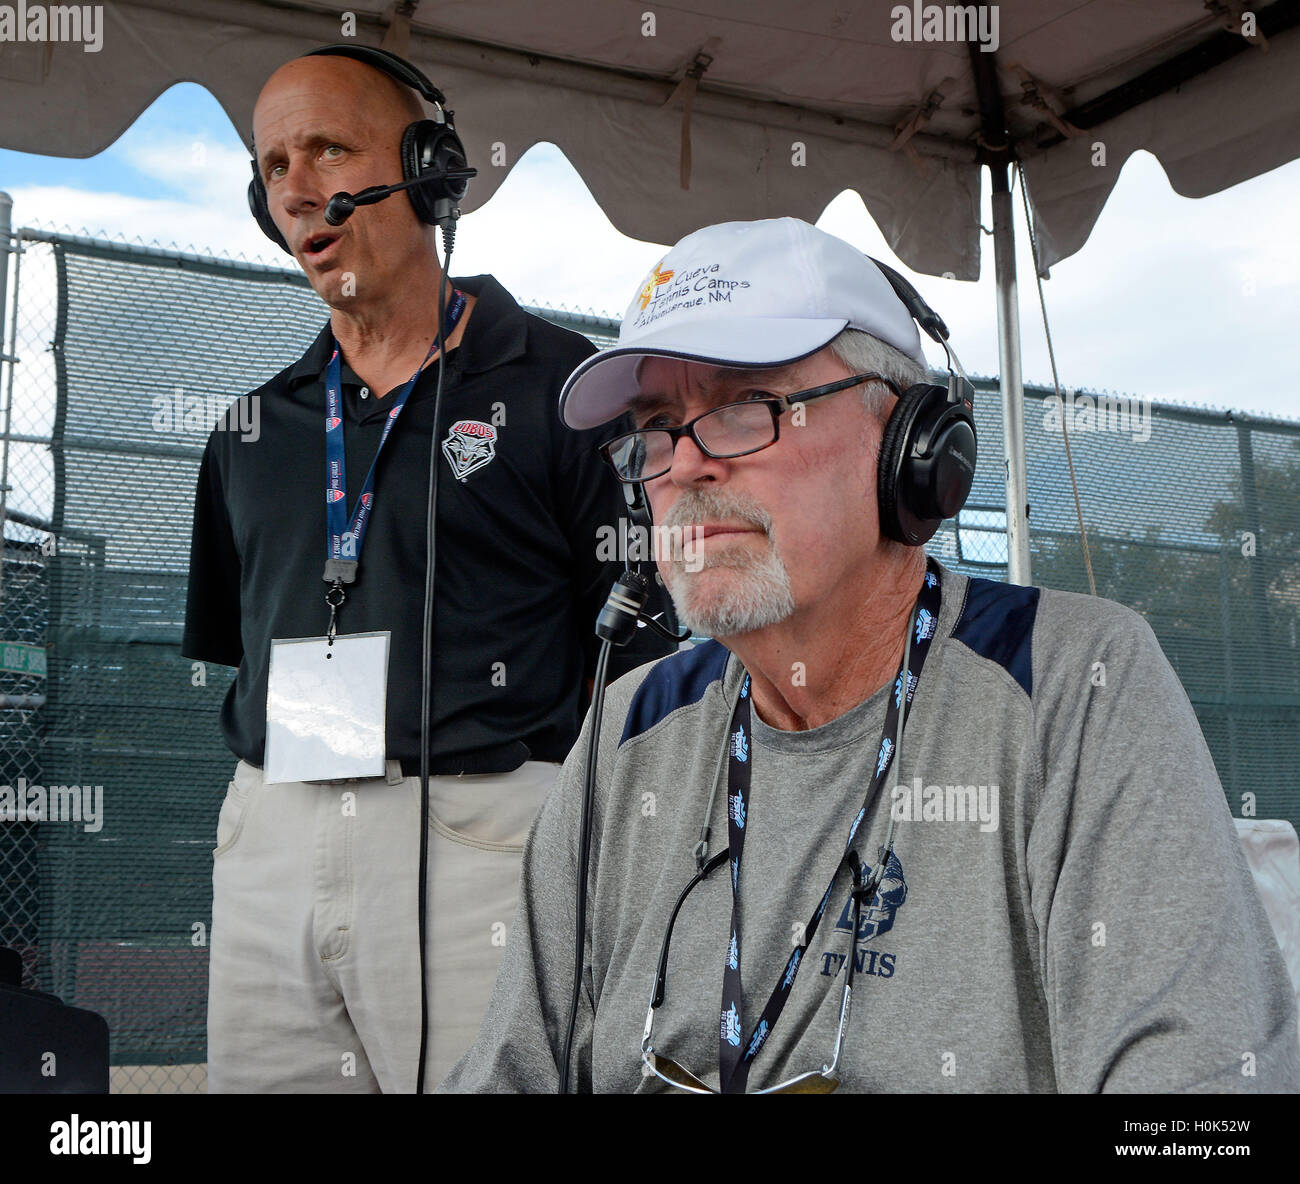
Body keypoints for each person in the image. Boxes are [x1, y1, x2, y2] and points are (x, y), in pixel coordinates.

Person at [441, 217, 1300, 1093]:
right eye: (657, 429)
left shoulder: (1076, 680)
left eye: (744, 406)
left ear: (909, 447)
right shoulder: (634, 721)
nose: (685, 466)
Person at [181, 44, 671, 1093]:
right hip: (273, 825)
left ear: (432, 169)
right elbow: (241, 647)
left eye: (327, 148)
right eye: (272, 166)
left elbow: (641, 656)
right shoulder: (249, 429)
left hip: (485, 838)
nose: (297, 188)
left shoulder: (568, 393)